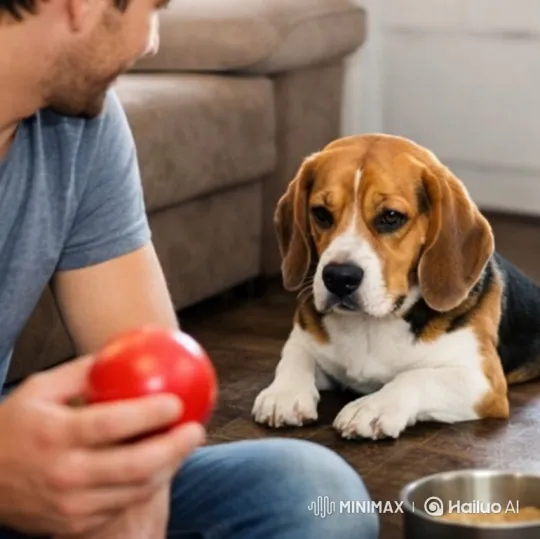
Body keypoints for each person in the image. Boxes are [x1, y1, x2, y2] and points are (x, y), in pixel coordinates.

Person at [0, 0, 380, 537]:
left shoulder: (82, 127)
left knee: (311, 493)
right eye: (152, 7)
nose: (152, 40)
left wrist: (133, 475)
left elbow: (154, 383)